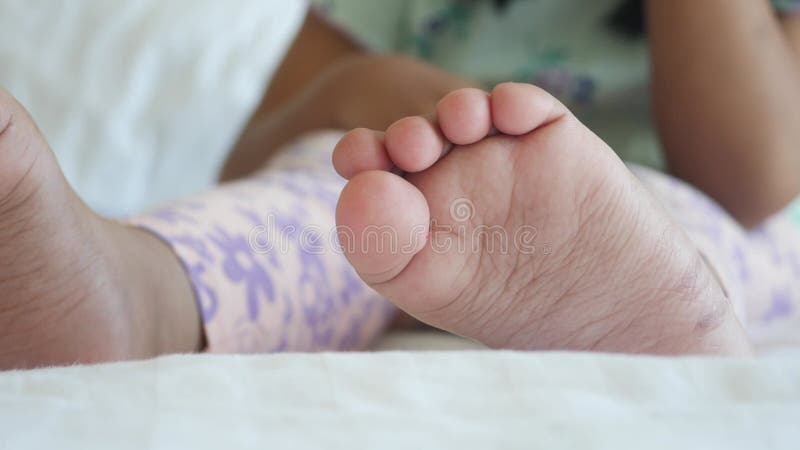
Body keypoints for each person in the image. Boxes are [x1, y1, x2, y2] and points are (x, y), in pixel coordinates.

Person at [0, 0, 797, 369]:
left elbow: (754, 178)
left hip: (672, 203)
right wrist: (352, 90)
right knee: (306, 216)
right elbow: (252, 160)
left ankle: (678, 324)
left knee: (715, 240)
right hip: (394, 198)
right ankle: (131, 297)